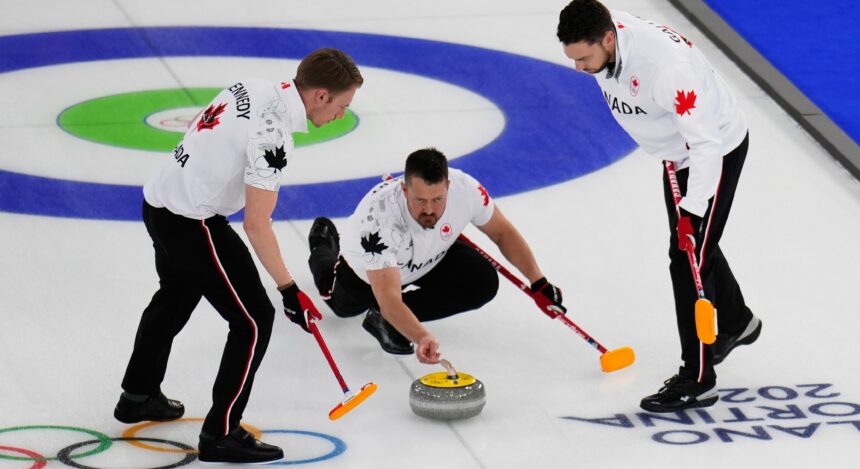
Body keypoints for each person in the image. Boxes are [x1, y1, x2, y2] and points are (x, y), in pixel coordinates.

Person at [113, 48, 363, 464]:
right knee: (253, 320)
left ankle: (138, 394)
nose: (342, 114)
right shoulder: (274, 133)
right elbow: (257, 224)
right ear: (321, 95)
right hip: (192, 220)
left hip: (159, 200)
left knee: (175, 295)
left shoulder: (256, 86)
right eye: (342, 105)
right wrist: (288, 290)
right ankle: (221, 433)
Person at [557, 0, 762, 412]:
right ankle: (737, 321)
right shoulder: (605, 38)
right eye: (573, 58)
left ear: (608, 39)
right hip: (676, 153)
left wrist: (694, 208)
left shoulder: (666, 69)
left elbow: (706, 144)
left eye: (584, 58)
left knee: (687, 259)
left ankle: (698, 379)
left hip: (711, 153)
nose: (579, 68)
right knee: (696, 247)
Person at [307, 148, 567, 364]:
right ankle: (323, 243)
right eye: (420, 200)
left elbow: (502, 233)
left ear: (448, 187)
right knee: (340, 306)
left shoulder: (466, 190)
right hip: (367, 275)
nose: (429, 210)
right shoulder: (380, 221)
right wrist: (421, 336)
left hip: (432, 254)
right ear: (405, 190)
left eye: (437, 199)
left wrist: (538, 281)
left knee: (482, 282)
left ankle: (383, 321)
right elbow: (388, 297)